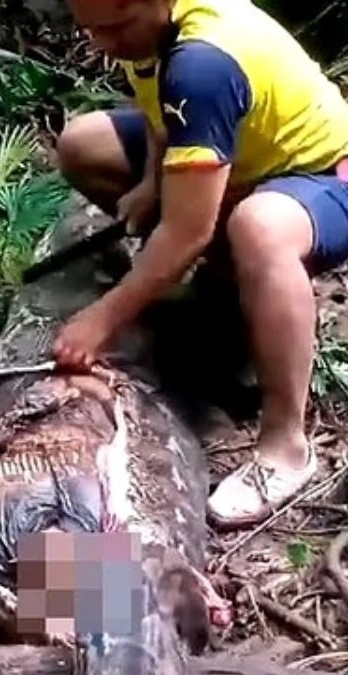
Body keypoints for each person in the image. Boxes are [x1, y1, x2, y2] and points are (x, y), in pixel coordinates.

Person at [53, 0, 348, 528]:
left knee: (259, 228)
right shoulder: (148, 30)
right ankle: (231, 283)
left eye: (115, 28)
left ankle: (286, 446)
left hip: (324, 174)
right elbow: (160, 107)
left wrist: (101, 319)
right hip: (243, 160)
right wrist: (153, 181)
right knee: (83, 144)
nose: (104, 45)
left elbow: (187, 232)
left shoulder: (204, 62)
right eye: (91, 30)